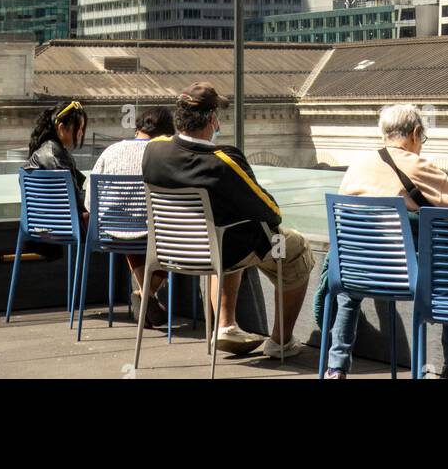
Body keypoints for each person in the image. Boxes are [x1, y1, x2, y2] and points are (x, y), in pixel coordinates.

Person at [142, 81, 315, 358]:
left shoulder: (154, 150)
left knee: (226, 226)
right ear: (212, 119)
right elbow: (270, 211)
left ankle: (225, 325)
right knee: (298, 250)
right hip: (219, 251)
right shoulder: (223, 160)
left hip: (173, 249)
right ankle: (281, 341)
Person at [321, 102, 448, 381]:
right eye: (421, 138)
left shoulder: (357, 167)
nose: (420, 144)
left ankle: (335, 368)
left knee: (348, 296)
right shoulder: (418, 165)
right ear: (414, 133)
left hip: (355, 273)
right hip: (405, 278)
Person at [90, 105, 175, 328]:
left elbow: (91, 200)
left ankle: (144, 294)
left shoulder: (110, 151)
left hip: (108, 233)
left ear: (137, 127)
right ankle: (147, 293)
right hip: (152, 235)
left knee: (133, 227)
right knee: (176, 232)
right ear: (167, 134)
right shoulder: (165, 155)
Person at [24, 100, 89, 221]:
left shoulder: (46, 151)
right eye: (78, 128)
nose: (81, 133)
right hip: (62, 225)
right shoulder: (55, 157)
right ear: (61, 128)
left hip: (41, 223)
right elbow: (73, 200)